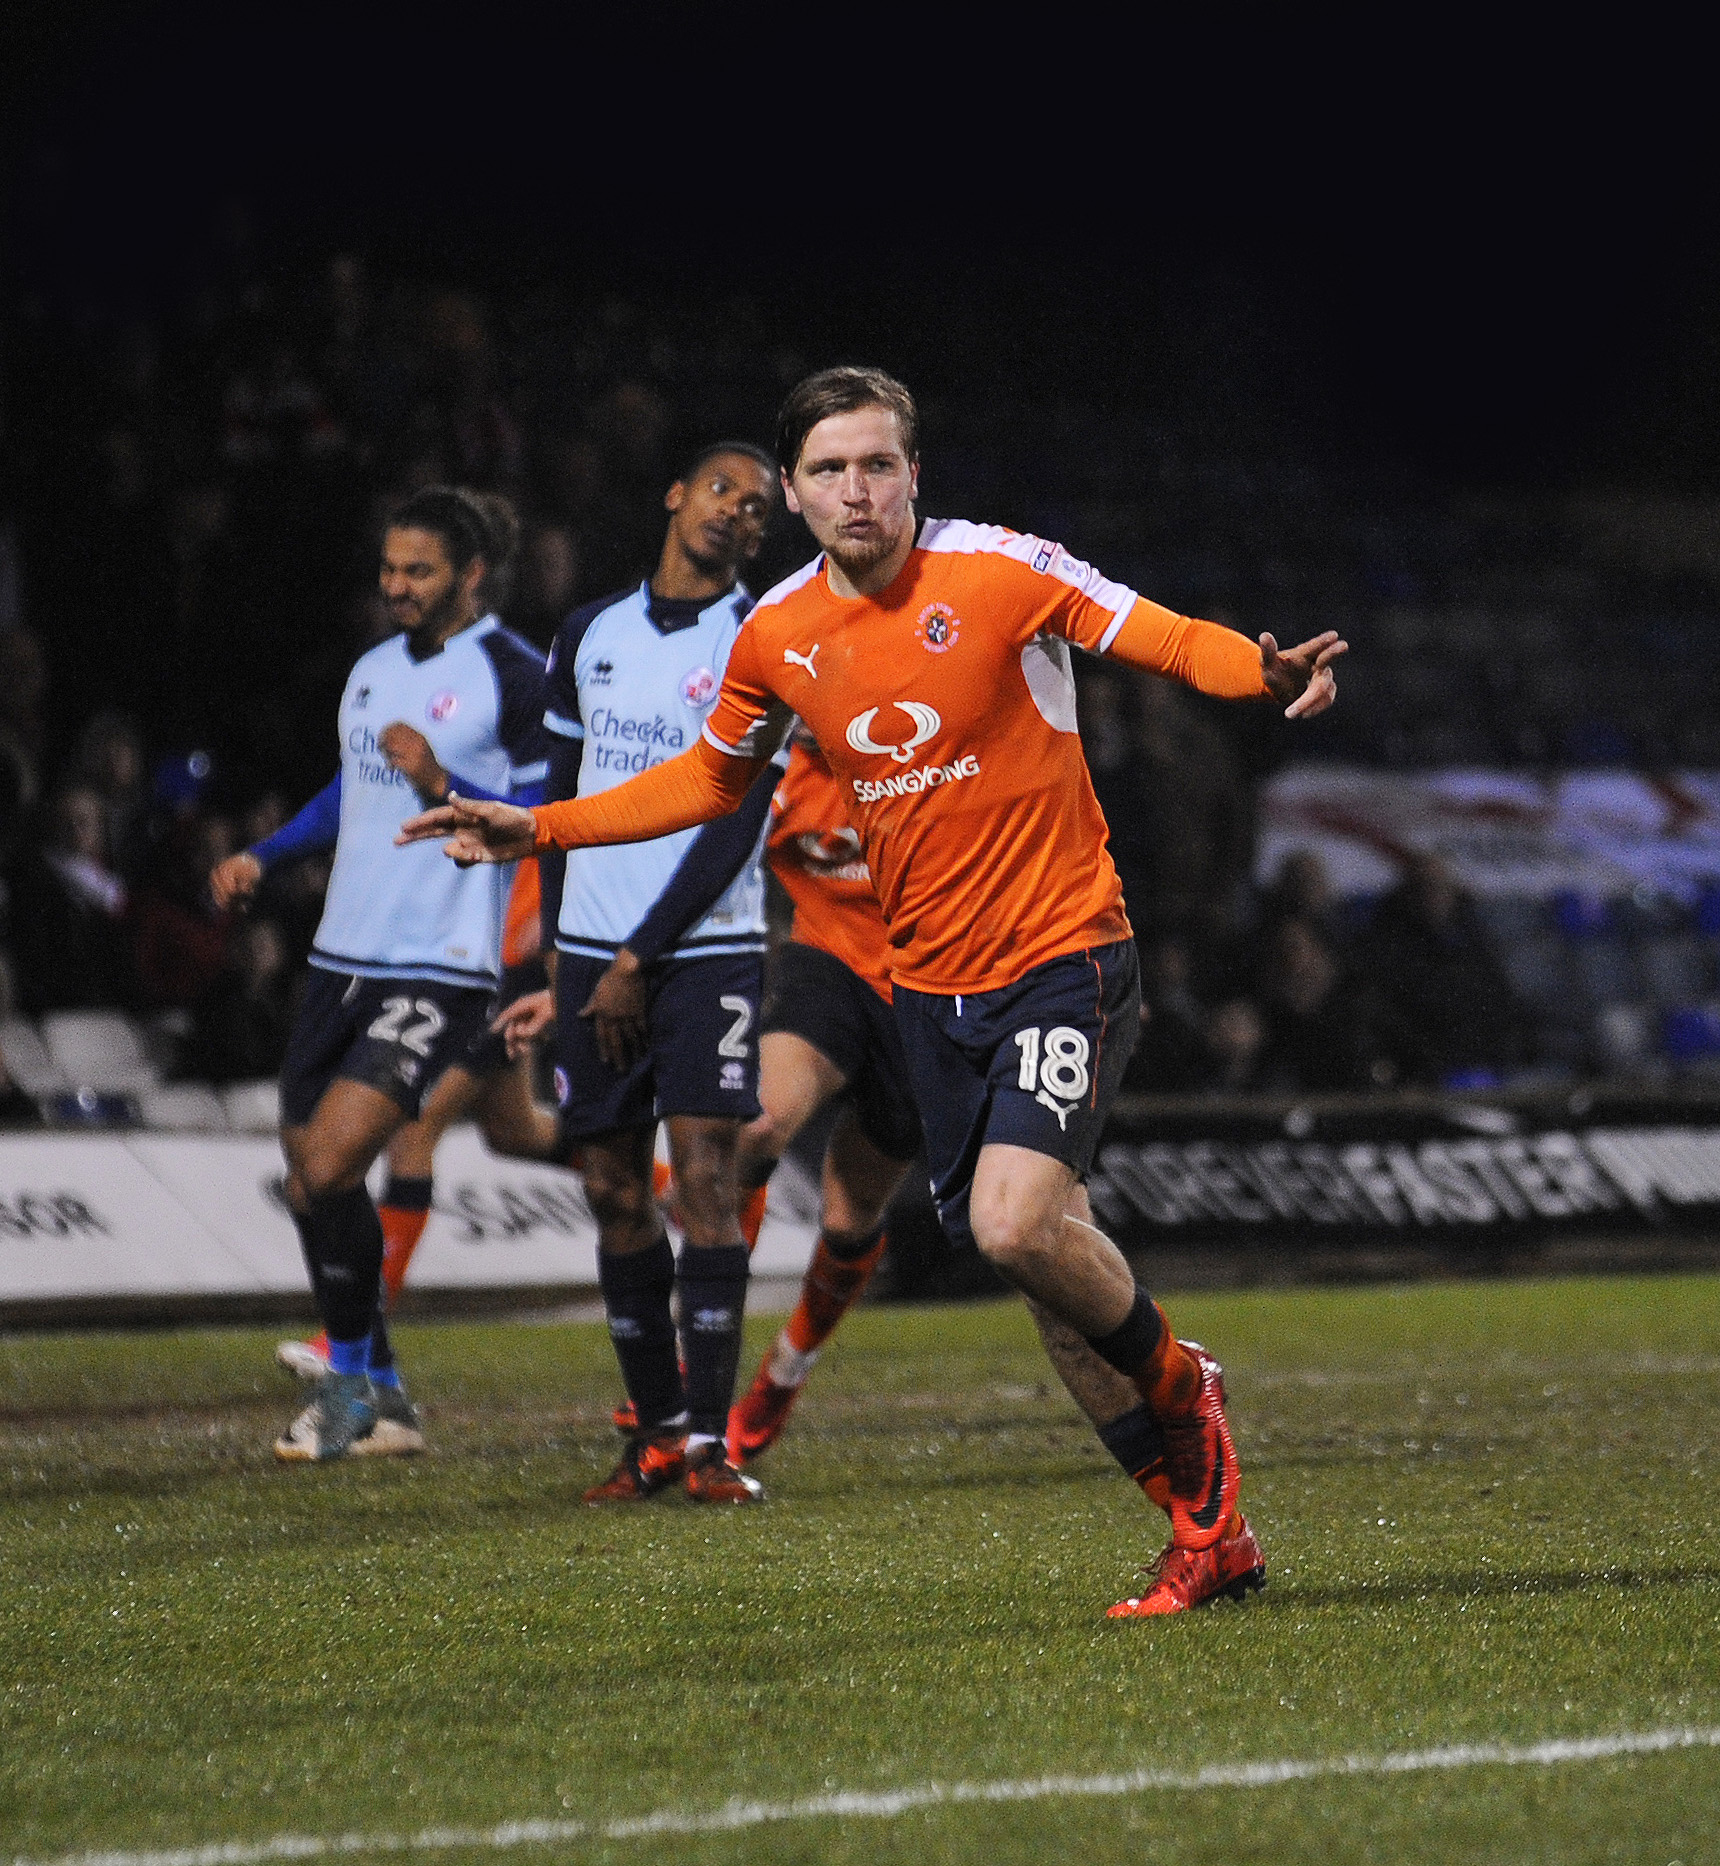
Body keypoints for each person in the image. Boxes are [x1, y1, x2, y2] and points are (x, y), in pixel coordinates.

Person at [404, 368, 1345, 1615]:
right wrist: (542, 827)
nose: (859, 490)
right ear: (793, 494)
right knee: (1041, 1262)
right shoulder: (779, 635)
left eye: (880, 464)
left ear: (914, 475)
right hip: (926, 989)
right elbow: (704, 783)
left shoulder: (1002, 571)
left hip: (1065, 954)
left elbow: (1164, 636)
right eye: (832, 470)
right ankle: (1201, 1533)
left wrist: (1260, 675)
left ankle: (1183, 1387)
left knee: (1014, 1226)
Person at [210, 485, 549, 1461]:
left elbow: (542, 819)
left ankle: (351, 1385)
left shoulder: (515, 678)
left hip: (435, 964)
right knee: (312, 1180)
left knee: (328, 1163)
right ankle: (386, 1391)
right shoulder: (369, 671)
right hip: (338, 956)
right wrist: (265, 857)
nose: (396, 587)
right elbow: (348, 790)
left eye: (419, 571)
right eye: (390, 569)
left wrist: (445, 784)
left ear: (469, 575)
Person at [490, 442, 786, 1507]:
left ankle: (710, 1445)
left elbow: (734, 822)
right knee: (613, 1190)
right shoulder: (589, 633)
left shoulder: (764, 636)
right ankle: (655, 1435)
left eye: (756, 509)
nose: (734, 514)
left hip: (703, 951)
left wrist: (630, 957)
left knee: (705, 1184)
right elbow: (563, 809)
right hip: (590, 962)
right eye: (720, 490)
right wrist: (562, 964)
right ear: (674, 494)